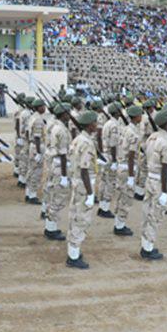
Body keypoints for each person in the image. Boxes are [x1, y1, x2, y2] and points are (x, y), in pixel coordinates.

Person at [140, 108, 167, 258]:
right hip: (158, 182)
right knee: (155, 215)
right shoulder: (166, 142)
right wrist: (164, 191)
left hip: (150, 178)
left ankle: (145, 245)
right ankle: (148, 249)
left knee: (147, 212)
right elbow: (165, 168)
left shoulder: (152, 137)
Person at [66, 110, 99, 269]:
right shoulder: (86, 142)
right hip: (83, 184)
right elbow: (84, 169)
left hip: (77, 181)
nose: (96, 125)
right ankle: (73, 257)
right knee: (81, 219)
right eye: (95, 123)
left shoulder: (78, 140)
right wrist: (90, 193)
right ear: (89, 125)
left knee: (75, 216)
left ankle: (74, 251)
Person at [112, 104, 143, 236]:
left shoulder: (124, 129)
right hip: (127, 168)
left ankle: (118, 223)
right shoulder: (134, 133)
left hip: (121, 166)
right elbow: (131, 155)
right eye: (140, 115)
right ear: (136, 117)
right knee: (126, 198)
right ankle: (120, 226)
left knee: (120, 196)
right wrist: (131, 176)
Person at [44, 103, 72, 241]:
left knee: (53, 196)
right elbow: (63, 154)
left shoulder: (56, 127)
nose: (70, 114)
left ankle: (50, 226)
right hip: (60, 166)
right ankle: (51, 229)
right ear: (63, 114)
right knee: (58, 198)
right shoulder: (61, 130)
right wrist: (65, 175)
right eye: (68, 112)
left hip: (54, 164)